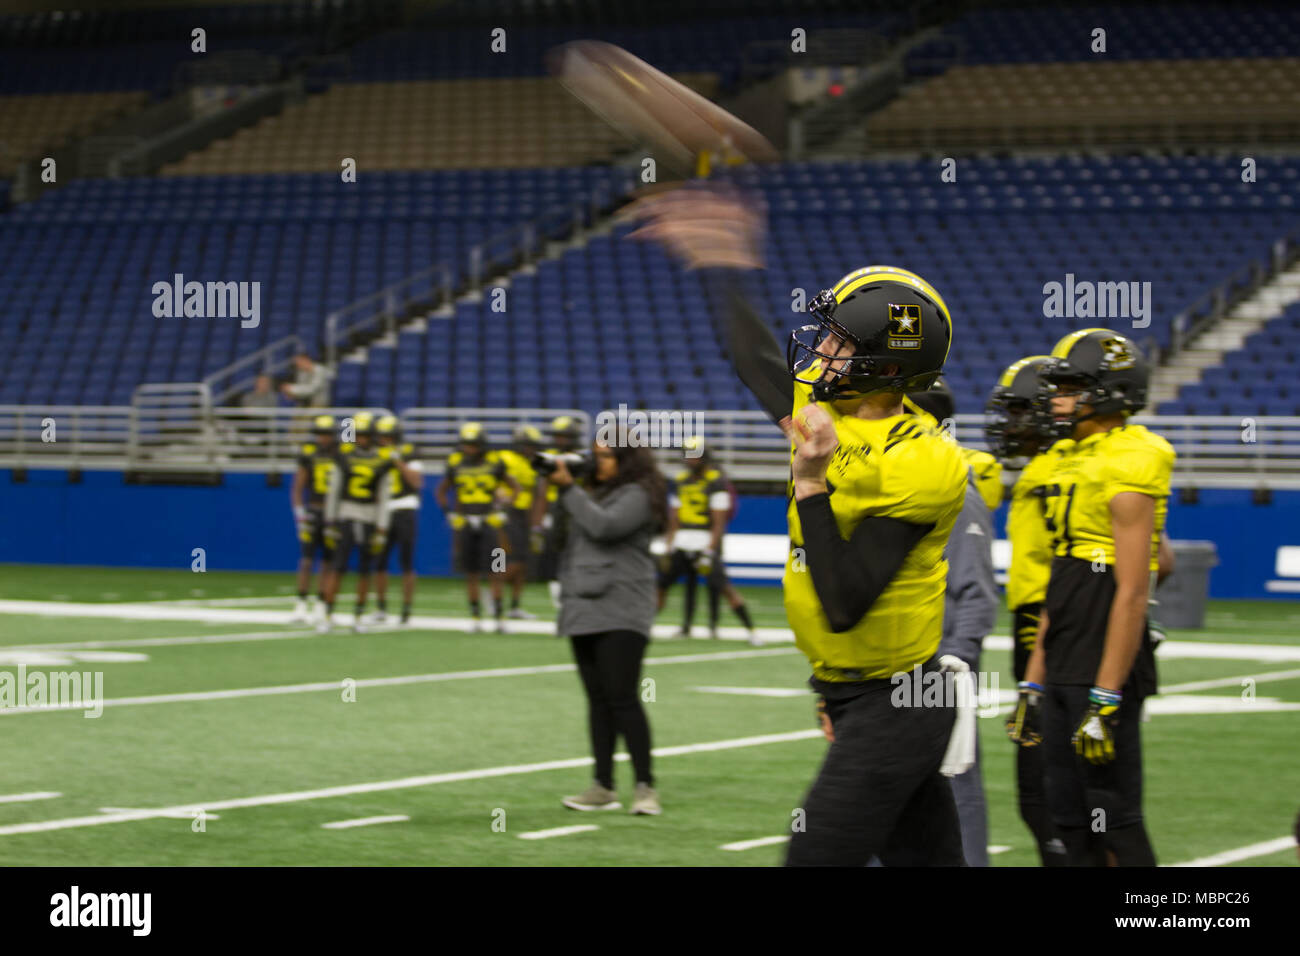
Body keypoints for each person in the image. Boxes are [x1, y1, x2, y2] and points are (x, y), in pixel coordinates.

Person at [626, 182, 970, 865]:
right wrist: (721, 260)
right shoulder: (836, 408)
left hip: (897, 701)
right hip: (857, 693)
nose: (821, 350)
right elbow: (752, 357)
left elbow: (844, 602)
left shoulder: (922, 462)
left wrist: (811, 482)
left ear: (884, 364)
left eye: (841, 341)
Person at [1006, 328, 1175, 867]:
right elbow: (1060, 579)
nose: (1055, 398)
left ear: (1108, 390)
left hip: (1105, 655)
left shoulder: (1132, 456)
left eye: (1070, 386)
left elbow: (1131, 589)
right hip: (1063, 652)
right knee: (1067, 815)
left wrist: (1107, 693)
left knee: (1115, 818)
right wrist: (1034, 678)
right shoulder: (1071, 457)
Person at [986, 354, 1071, 865]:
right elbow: (1162, 559)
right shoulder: (1068, 467)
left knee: (1047, 798)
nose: (1009, 424)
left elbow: (1065, 584)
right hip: (1062, 634)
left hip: (1050, 636)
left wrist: (1034, 682)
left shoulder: (1054, 476)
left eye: (1019, 411)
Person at [909, 382, 998, 867]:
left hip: (937, 666)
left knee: (955, 783)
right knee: (885, 790)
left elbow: (978, 592)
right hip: (894, 663)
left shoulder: (958, 491)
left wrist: (958, 657)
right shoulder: (906, 485)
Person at [550, 441, 665, 816]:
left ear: (626, 459)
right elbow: (557, 542)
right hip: (583, 606)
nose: (595, 462)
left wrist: (568, 489)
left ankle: (645, 787)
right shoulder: (589, 493)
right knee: (597, 700)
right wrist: (561, 490)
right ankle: (603, 785)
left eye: (604, 456)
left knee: (622, 697)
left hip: (622, 607)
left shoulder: (638, 494)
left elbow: (605, 527)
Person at [657, 435, 758, 644]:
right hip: (681, 543)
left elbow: (719, 521)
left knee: (724, 587)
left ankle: (751, 631)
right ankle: (643, 627)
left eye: (695, 456)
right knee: (661, 586)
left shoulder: (716, 481)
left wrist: (710, 550)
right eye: (688, 456)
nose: (691, 460)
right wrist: (668, 546)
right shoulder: (680, 480)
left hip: (704, 542)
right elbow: (674, 516)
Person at [436, 422, 518, 633]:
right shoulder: (455, 463)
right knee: (470, 572)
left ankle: (499, 618)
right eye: (466, 444)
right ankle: (475, 617)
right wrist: (450, 514)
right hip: (466, 524)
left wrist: (503, 510)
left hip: (490, 523)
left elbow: (515, 488)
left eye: (473, 444)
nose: (469, 449)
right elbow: (441, 491)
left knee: (496, 570)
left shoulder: (495, 463)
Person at [319, 412, 392, 633]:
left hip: (369, 516)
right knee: (338, 567)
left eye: (365, 435)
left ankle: (358, 616)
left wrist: (382, 527)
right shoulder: (344, 457)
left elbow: (384, 495)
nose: (361, 439)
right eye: (358, 435)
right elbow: (334, 491)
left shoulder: (382, 460)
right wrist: (330, 521)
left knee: (364, 570)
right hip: (347, 515)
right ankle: (327, 614)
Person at [371, 414, 424, 626]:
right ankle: (381, 608)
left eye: (388, 436)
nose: (384, 440)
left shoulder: (409, 451)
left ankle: (406, 611)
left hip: (404, 508)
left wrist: (398, 461)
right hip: (383, 510)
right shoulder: (375, 454)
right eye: (382, 436)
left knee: (407, 563)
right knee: (379, 562)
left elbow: (417, 482)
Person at [290, 414, 338, 624]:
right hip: (314, 509)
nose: (323, 438)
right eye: (320, 434)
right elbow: (298, 485)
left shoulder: (340, 453)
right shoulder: (309, 452)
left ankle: (320, 603)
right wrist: (300, 514)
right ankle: (301, 603)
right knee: (307, 559)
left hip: (332, 513)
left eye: (326, 434)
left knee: (327, 560)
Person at [532, 415, 583, 608]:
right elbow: (542, 493)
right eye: (558, 436)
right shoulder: (549, 457)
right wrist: (537, 525)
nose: (561, 440)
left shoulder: (583, 456)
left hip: (579, 508)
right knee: (555, 555)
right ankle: (560, 600)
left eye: (565, 436)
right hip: (557, 510)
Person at [497, 425, 543, 620]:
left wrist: (536, 524)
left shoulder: (532, 465)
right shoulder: (504, 458)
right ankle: (494, 596)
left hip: (523, 515)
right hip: (504, 513)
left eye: (533, 446)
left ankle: (515, 606)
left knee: (522, 562)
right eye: (527, 445)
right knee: (502, 559)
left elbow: (536, 494)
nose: (531, 449)